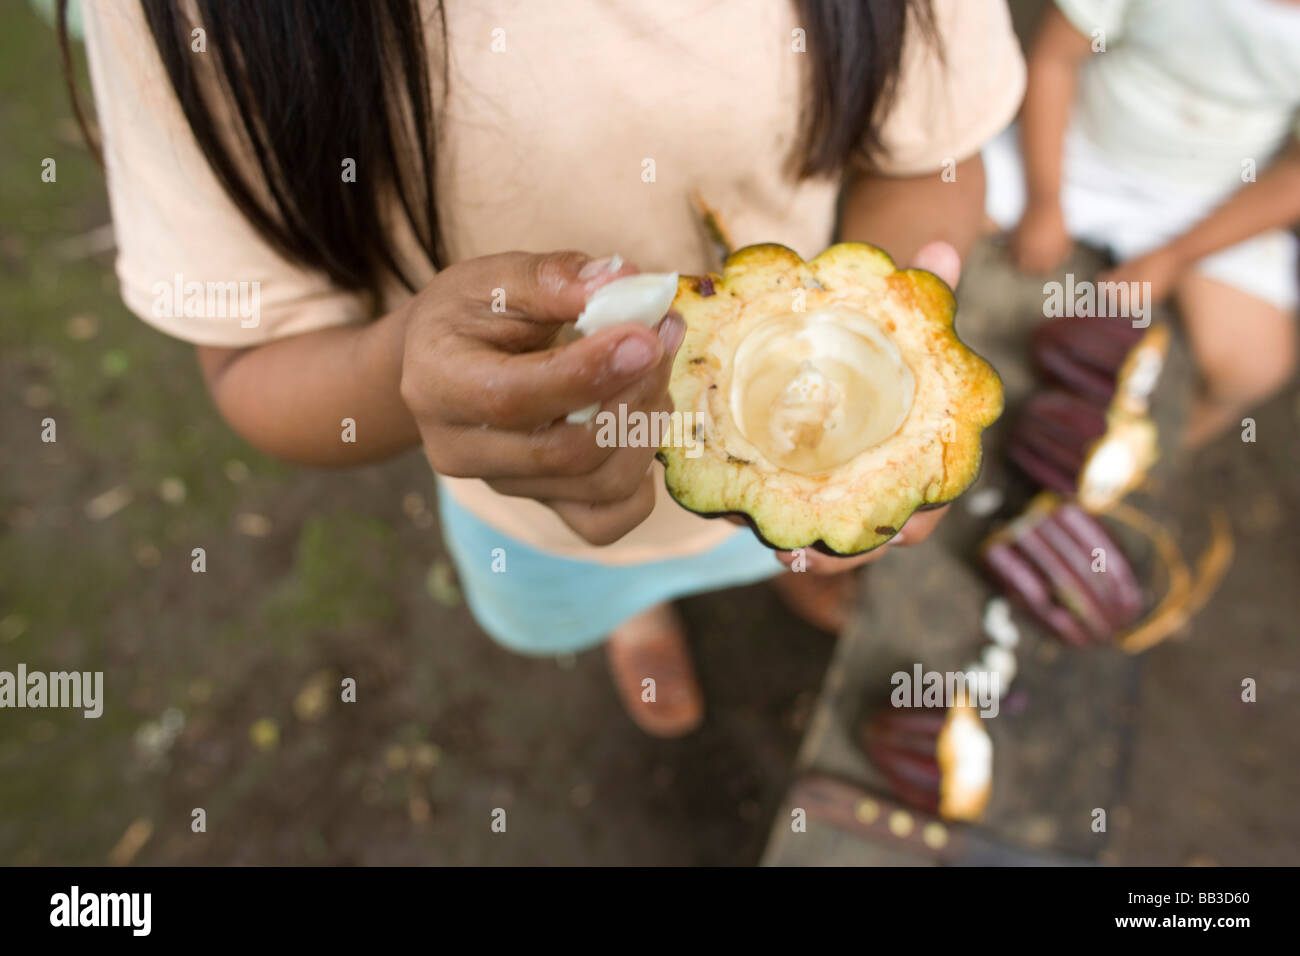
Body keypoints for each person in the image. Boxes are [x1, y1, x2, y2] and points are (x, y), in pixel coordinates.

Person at [72, 0, 1025, 736]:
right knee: (599, 585)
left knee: (764, 540)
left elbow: (930, 158)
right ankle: (633, 625)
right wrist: (405, 365)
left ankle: (762, 568)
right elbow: (254, 362)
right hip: (530, 521)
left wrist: (894, 354)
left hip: (806, 452)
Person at [986, 0, 1300, 447]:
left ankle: (1135, 468)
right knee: (940, 215)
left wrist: (1177, 254)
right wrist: (1044, 200)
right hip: (1077, 150)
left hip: (1212, 199)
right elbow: (1055, 58)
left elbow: (1294, 176)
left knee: (1252, 369)